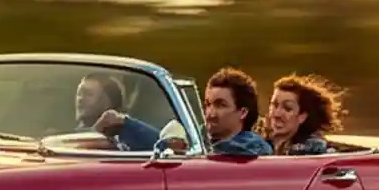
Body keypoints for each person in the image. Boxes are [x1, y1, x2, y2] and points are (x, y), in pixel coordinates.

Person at [93, 67, 272, 157]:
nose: (210, 112)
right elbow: (165, 143)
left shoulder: (252, 146)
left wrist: (182, 147)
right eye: (208, 104)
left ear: (242, 112)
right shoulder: (201, 137)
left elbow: (204, 153)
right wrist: (125, 125)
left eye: (220, 105)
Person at [256, 73, 346, 155]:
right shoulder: (256, 141)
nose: (277, 114)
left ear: (302, 117)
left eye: (287, 108)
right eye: (274, 105)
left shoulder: (313, 148)